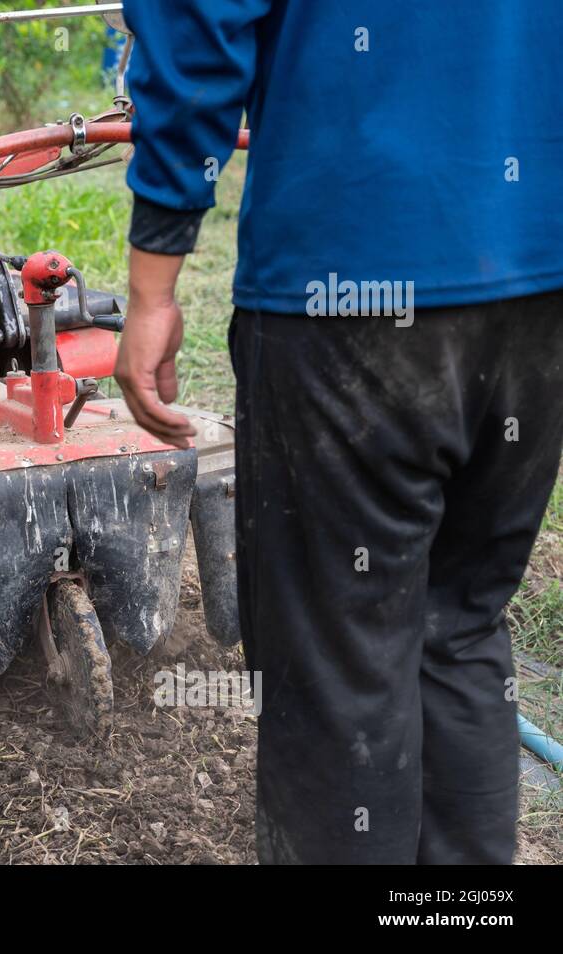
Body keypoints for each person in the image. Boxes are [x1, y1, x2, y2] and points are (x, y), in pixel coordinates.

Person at [113, 0, 563, 863]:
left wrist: (154, 283)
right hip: (534, 281)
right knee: (459, 628)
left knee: (339, 669)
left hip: (352, 278)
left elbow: (195, 29)